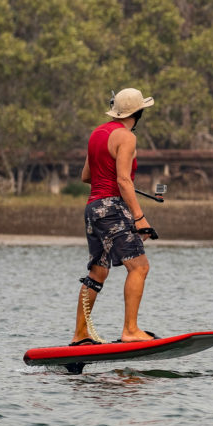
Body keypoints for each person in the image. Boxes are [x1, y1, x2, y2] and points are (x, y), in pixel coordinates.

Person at [70, 87, 159, 345]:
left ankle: (79, 335)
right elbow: (122, 180)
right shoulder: (126, 138)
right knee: (139, 266)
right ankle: (130, 330)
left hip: (93, 209)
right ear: (138, 112)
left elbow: (86, 176)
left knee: (98, 272)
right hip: (111, 208)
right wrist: (140, 217)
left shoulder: (98, 133)